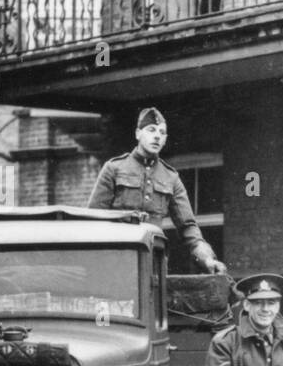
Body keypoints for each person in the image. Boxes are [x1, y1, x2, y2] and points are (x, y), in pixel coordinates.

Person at [87, 107, 225, 273]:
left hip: (153, 266)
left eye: (162, 132)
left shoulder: (171, 177)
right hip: (117, 261)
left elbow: (188, 227)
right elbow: (93, 220)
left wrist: (207, 259)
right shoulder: (114, 168)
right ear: (138, 134)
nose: (157, 136)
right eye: (151, 130)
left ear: (165, 139)